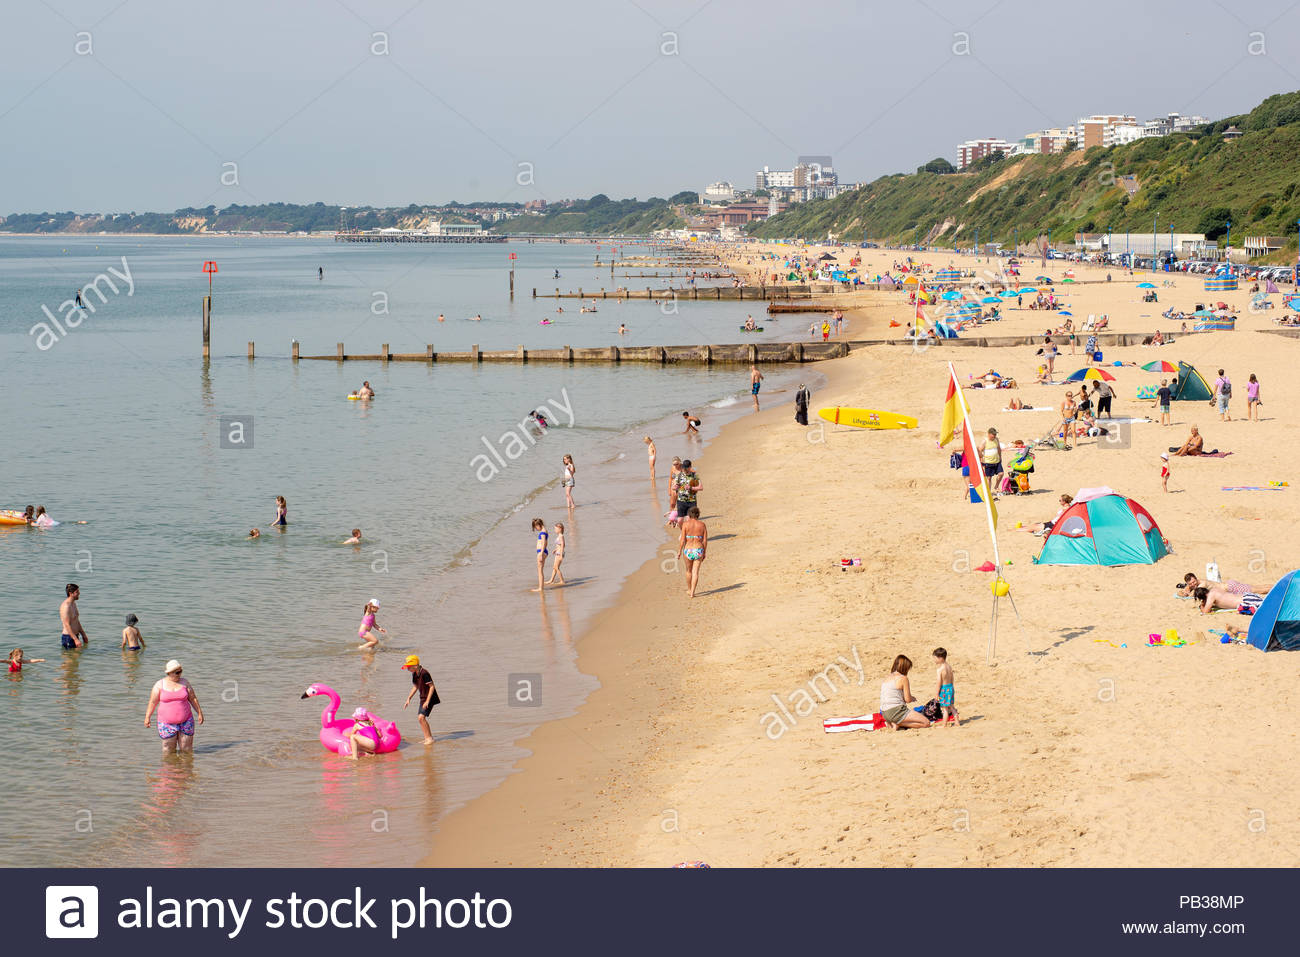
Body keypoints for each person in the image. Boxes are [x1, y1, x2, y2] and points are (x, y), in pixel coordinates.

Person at [144, 660, 204, 755]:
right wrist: (147, 717)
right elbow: (152, 702)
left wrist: (200, 713)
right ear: (169, 673)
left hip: (186, 721)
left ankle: (186, 769)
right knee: (168, 751)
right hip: (166, 724)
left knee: (187, 750)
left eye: (181, 671)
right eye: (177, 672)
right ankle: (170, 769)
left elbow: (193, 699)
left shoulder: (185, 683)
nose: (179, 674)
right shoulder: (159, 685)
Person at [880, 655, 930, 730]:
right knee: (926, 723)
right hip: (896, 711)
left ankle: (894, 722)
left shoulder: (888, 677)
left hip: (884, 712)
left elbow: (893, 695)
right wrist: (912, 698)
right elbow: (907, 700)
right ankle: (898, 723)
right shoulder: (903, 678)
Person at [402, 655, 440, 745]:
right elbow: (415, 686)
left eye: (408, 667)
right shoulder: (414, 674)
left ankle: (430, 739)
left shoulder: (424, 673)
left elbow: (432, 687)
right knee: (420, 719)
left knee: (421, 717)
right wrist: (408, 698)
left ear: (415, 665)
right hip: (423, 697)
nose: (407, 669)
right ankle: (427, 738)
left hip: (430, 698)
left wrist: (427, 701)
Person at [676, 506, 707, 599]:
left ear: (689, 515)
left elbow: (682, 540)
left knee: (688, 571)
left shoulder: (685, 524)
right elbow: (704, 540)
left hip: (688, 550)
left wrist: (679, 551)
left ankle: (689, 589)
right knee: (695, 572)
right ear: (698, 514)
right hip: (698, 549)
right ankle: (693, 592)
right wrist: (704, 552)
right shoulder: (702, 525)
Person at [933, 647, 959, 726]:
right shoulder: (949, 667)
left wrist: (936, 694)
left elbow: (939, 683)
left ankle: (944, 725)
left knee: (944, 709)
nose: (934, 660)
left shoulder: (940, 669)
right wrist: (951, 688)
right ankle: (957, 722)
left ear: (940, 658)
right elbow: (952, 678)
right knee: (952, 707)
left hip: (944, 689)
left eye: (935, 658)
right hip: (950, 687)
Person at [60, 583, 88, 649]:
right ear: (71, 593)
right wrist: (75, 639)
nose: (79, 593)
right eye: (77, 592)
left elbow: (76, 621)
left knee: (77, 658)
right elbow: (67, 624)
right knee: (71, 658)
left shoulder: (73, 604)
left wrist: (83, 635)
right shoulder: (66, 606)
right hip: (68, 637)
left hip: (75, 636)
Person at [531, 518, 548, 592]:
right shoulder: (544, 531)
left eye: (535, 527)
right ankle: (541, 587)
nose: (535, 528)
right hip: (542, 551)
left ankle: (540, 588)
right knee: (540, 570)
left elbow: (544, 542)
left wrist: (541, 553)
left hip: (541, 552)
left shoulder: (543, 532)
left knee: (540, 571)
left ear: (538, 525)